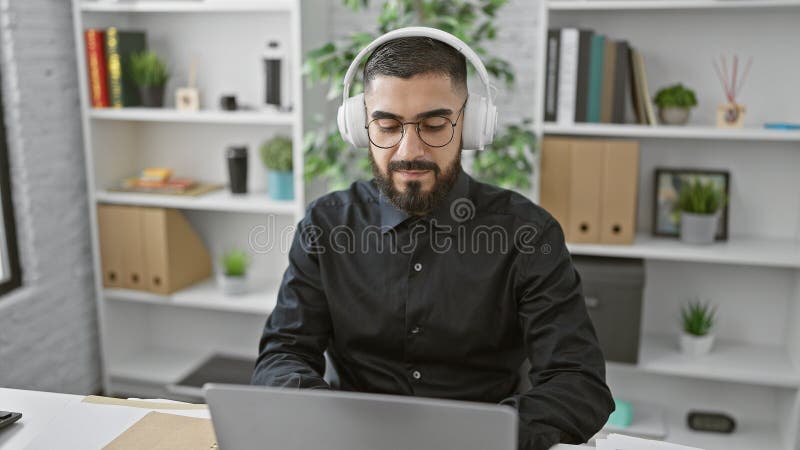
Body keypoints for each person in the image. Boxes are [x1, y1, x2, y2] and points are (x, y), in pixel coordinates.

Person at [252, 27, 614, 450]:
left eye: (435, 124)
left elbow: (578, 382)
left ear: (473, 125)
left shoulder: (528, 234)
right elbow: (283, 355)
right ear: (358, 125)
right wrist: (331, 423)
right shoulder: (326, 224)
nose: (410, 150)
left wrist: (478, 437)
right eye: (386, 126)